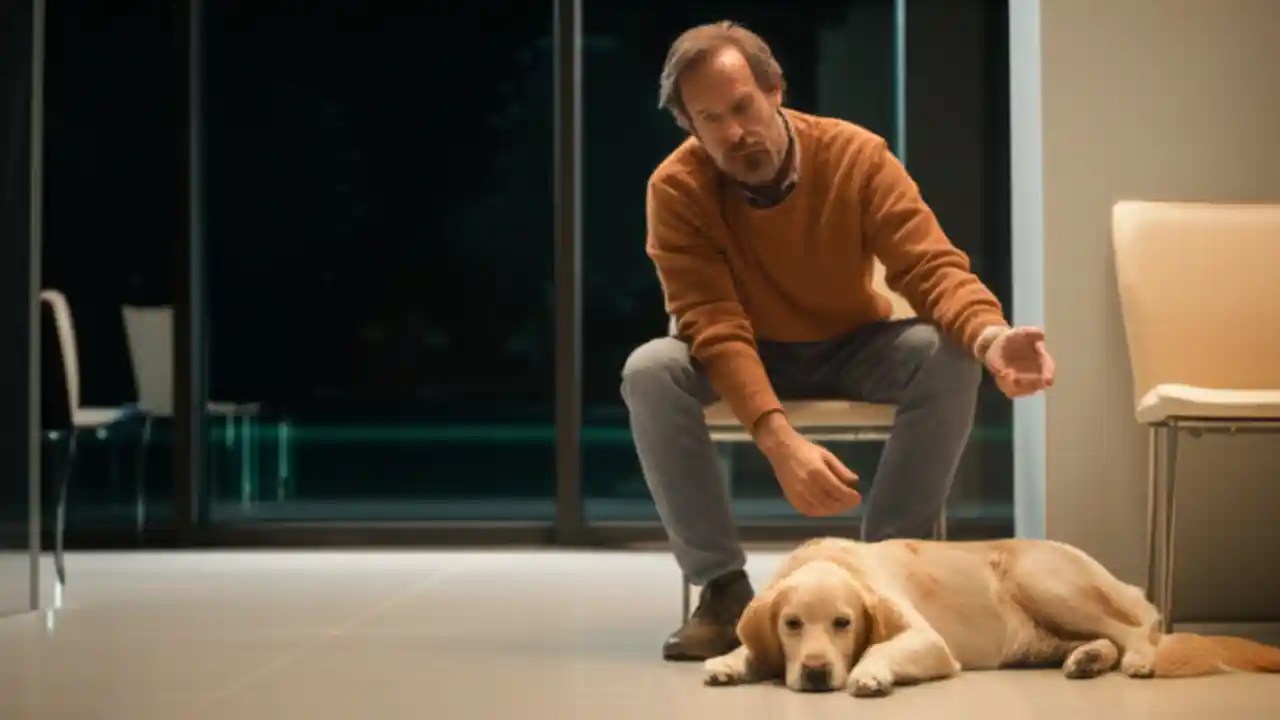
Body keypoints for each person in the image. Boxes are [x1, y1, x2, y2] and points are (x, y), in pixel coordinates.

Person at [619, 20, 1057, 662]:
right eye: (711, 119)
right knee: (650, 370)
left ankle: (883, 573)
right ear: (691, 128)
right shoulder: (677, 188)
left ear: (775, 90)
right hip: (743, 355)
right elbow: (713, 323)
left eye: (743, 106)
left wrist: (991, 337)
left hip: (855, 344)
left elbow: (930, 266)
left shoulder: (856, 155)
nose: (735, 131)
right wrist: (780, 440)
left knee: (948, 352)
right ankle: (722, 590)